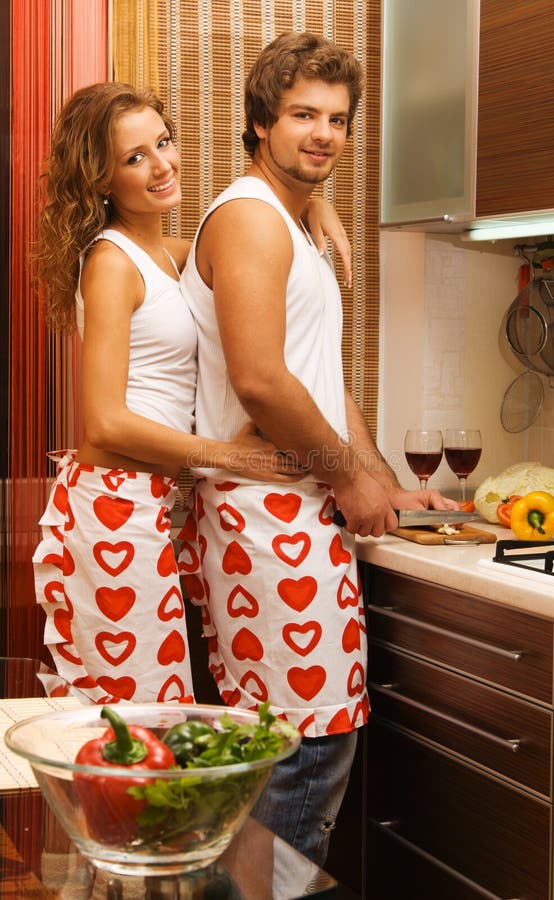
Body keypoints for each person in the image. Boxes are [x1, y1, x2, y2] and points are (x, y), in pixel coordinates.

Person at [179, 32, 458, 864]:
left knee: (307, 741)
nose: (324, 133)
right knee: (300, 751)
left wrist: (378, 481)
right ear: (261, 120)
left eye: (337, 118)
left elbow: (320, 380)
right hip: (264, 517)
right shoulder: (251, 222)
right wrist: (350, 484)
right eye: (304, 113)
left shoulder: (289, 225)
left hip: (293, 516)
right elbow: (263, 383)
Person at [31, 81, 348, 705]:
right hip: (111, 510)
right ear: (100, 179)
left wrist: (313, 202)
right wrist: (226, 455)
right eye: (134, 157)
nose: (161, 165)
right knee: (139, 725)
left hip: (146, 506)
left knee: (159, 714)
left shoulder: (166, 254)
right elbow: (103, 424)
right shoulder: (111, 263)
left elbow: (240, 233)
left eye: (164, 143)